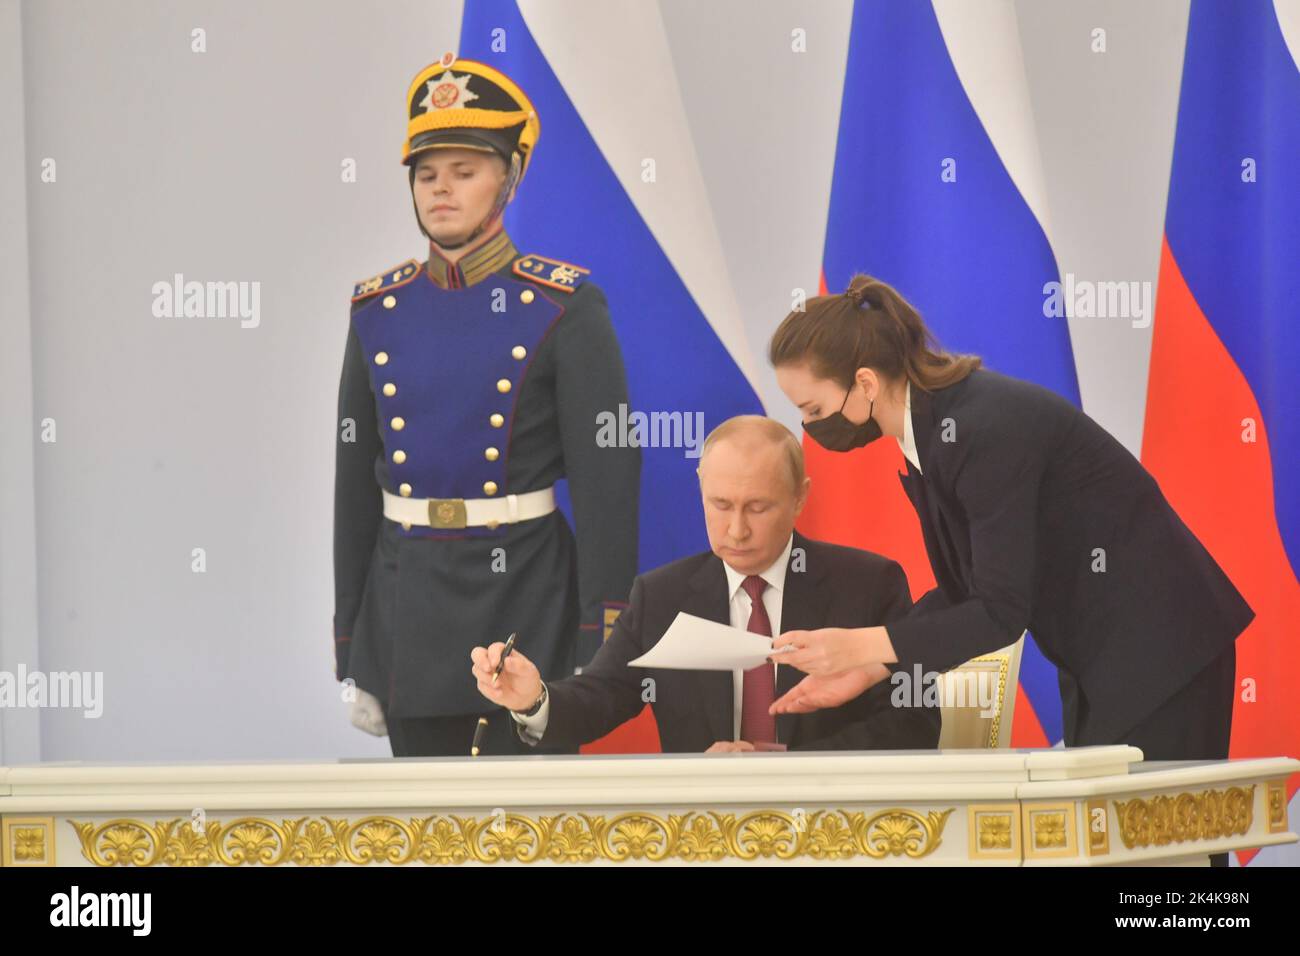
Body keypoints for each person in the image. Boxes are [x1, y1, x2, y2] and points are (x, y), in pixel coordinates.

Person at [765, 274, 1251, 772]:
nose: (810, 427)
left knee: (1147, 823)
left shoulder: (976, 428)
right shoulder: (938, 427)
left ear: (866, 383)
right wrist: (871, 665)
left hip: (1161, 650)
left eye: (813, 409)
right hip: (1107, 658)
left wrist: (858, 645)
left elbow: (998, 612)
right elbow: (967, 590)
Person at [333, 54, 639, 757]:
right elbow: (354, 492)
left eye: (464, 171)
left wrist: (601, 637)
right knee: (424, 822)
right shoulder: (377, 310)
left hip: (526, 600)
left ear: (511, 177)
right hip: (407, 611)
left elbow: (608, 487)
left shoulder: (564, 306)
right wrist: (354, 645)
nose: (441, 189)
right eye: (426, 174)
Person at [470, 416, 940, 753]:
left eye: (757, 507)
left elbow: (913, 722)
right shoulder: (661, 596)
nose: (736, 530)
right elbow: (600, 697)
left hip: (836, 827)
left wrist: (787, 768)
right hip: (700, 834)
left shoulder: (869, 585)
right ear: (700, 488)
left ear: (800, 497)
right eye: (720, 505)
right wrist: (534, 699)